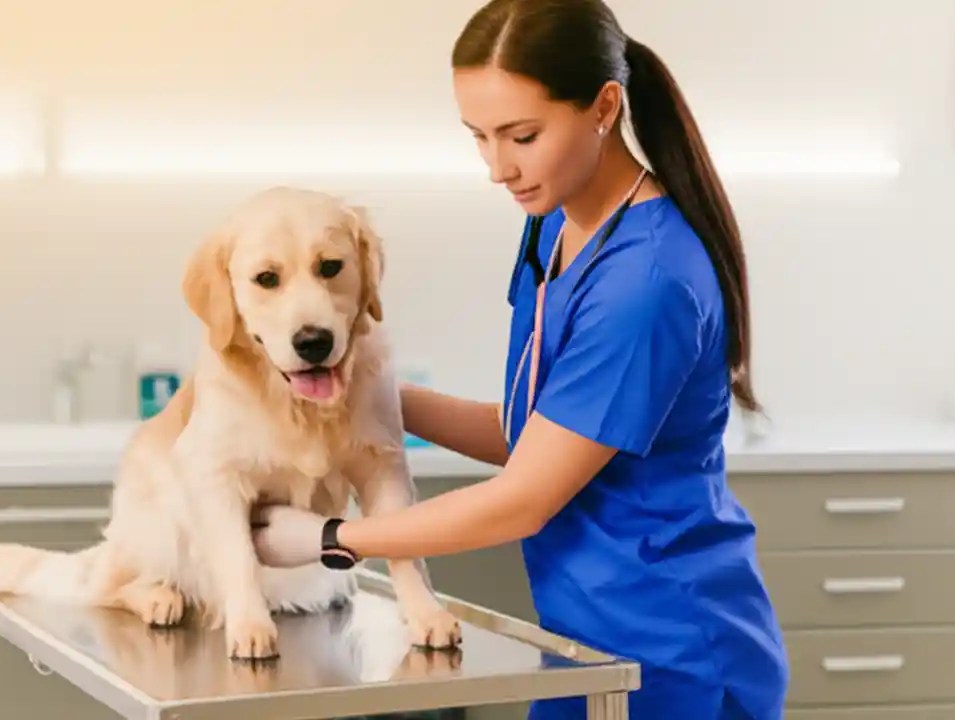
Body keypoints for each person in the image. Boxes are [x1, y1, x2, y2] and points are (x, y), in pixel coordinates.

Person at [249, 0, 789, 717]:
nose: (498, 168)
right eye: (479, 137)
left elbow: (526, 498)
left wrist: (329, 539)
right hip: (579, 643)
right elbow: (535, 434)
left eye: (522, 135)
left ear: (603, 107)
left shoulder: (647, 281)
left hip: (672, 648)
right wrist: (361, 390)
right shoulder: (553, 226)